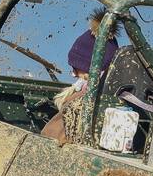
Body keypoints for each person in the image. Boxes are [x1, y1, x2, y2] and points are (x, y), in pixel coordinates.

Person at [40, 13, 118, 143]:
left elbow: (53, 137)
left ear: (93, 66)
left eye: (76, 68)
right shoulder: (102, 89)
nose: (73, 74)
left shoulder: (83, 100)